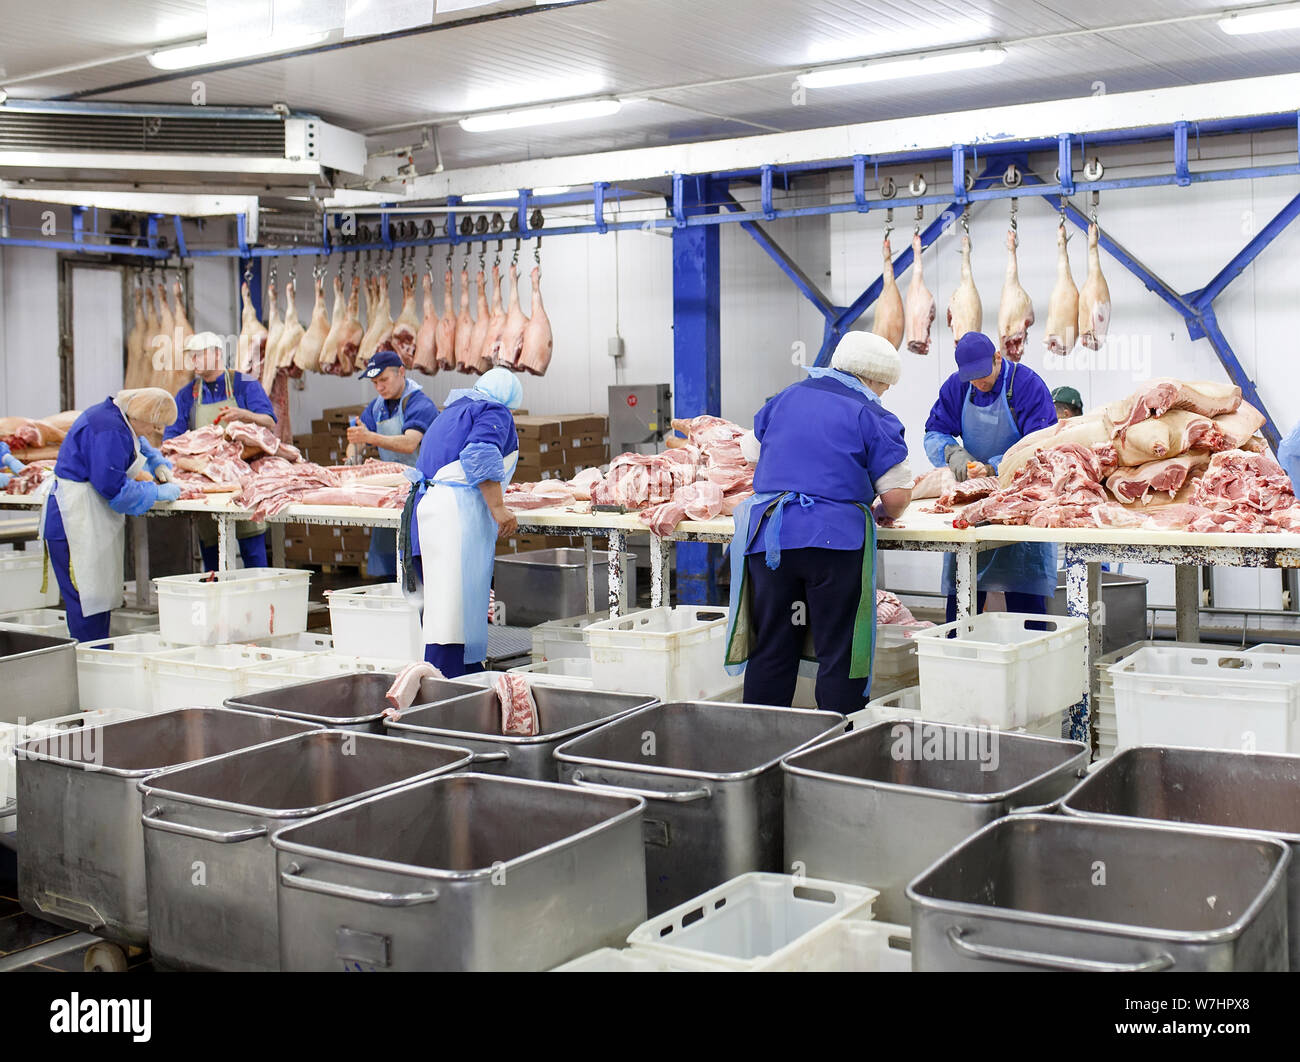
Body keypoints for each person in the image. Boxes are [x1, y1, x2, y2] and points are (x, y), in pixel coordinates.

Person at [724, 332, 912, 712]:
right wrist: (883, 513)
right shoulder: (872, 414)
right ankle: (836, 746)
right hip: (834, 544)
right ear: (874, 380)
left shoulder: (786, 398)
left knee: (774, 644)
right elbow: (896, 496)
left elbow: (750, 452)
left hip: (771, 542)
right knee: (840, 649)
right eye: (885, 386)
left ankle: (760, 742)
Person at [924, 332, 1058, 622]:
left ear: (999, 358)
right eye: (970, 379)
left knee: (1027, 610)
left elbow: (1042, 444)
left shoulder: (1026, 385)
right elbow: (934, 432)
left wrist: (996, 467)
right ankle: (962, 662)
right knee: (962, 606)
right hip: (973, 507)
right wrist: (953, 453)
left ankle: (1028, 664)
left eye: (983, 376)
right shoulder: (957, 387)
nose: (978, 384)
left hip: (1021, 503)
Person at [399, 366, 521, 678]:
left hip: (429, 511)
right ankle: (451, 687)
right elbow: (479, 454)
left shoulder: (451, 412)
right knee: (453, 609)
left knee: (442, 606)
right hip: (455, 515)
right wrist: (498, 507)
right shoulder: (495, 411)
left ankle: (461, 675)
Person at [38, 388, 182, 641]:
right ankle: (90, 666)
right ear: (141, 416)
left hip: (89, 518)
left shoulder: (116, 415)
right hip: (75, 521)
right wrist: (155, 493)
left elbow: (138, 441)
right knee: (87, 600)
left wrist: (154, 459)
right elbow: (113, 488)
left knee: (98, 598)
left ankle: (98, 657)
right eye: (154, 425)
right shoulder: (109, 430)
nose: (154, 430)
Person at [164, 331, 276, 572]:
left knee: (253, 553)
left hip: (244, 480)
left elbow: (268, 421)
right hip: (210, 483)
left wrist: (243, 415)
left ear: (216, 354)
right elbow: (171, 440)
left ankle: (260, 603)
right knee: (212, 555)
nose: (193, 362)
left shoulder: (244, 383)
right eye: (191, 357)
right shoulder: (187, 395)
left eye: (198, 356)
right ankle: (218, 605)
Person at [346, 349, 439, 576]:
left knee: (416, 564)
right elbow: (360, 434)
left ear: (401, 372)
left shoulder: (419, 404)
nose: (379, 387)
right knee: (388, 563)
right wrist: (352, 456)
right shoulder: (377, 406)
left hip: (421, 494)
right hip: (391, 493)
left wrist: (370, 437)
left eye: (384, 380)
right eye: (375, 382)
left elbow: (409, 443)